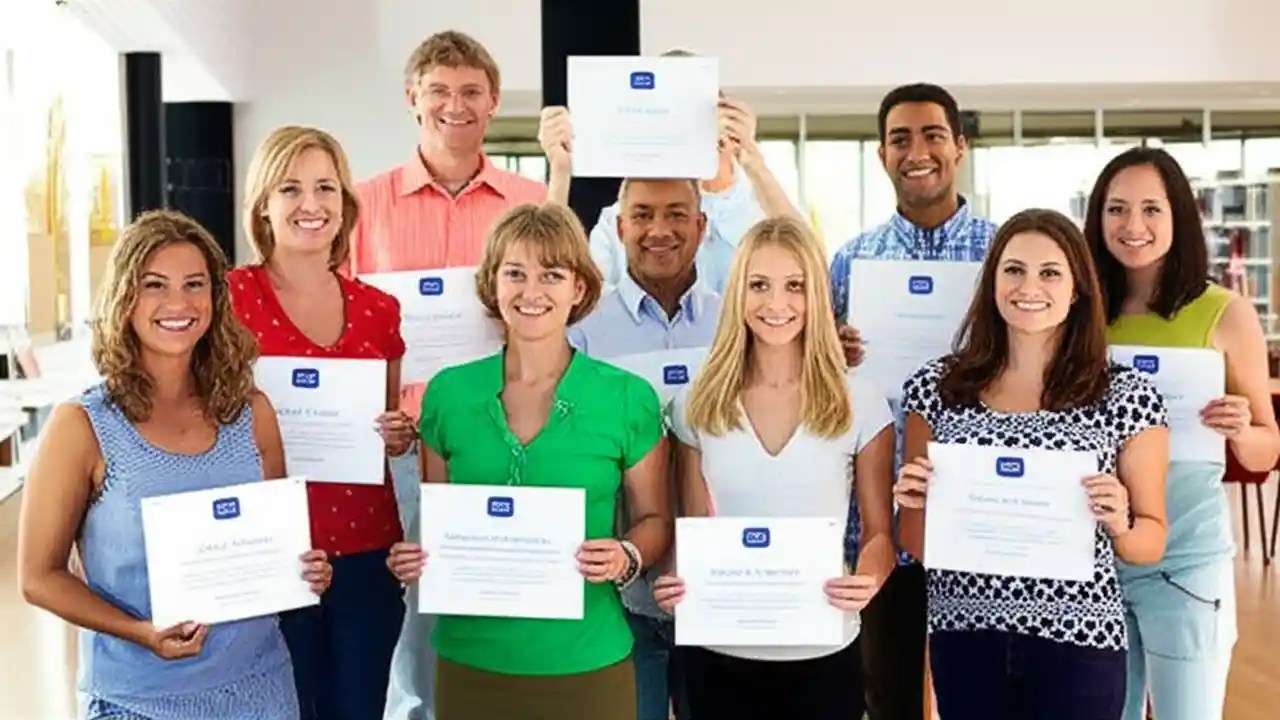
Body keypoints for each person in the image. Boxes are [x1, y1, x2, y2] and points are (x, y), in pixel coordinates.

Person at [17, 209, 333, 719]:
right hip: (137, 699)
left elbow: (277, 545)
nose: (178, 303)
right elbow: (38, 576)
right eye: (155, 285)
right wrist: (140, 633)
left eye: (195, 284)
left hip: (259, 689)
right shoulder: (81, 425)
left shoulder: (252, 413)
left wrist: (303, 570)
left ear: (215, 298)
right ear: (124, 299)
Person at [386, 203, 671, 720]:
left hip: (587, 662)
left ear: (579, 290)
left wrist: (627, 555)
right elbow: (438, 521)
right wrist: (414, 557)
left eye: (552, 275)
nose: (531, 291)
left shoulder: (628, 398)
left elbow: (655, 520)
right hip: (470, 662)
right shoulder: (447, 395)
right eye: (514, 273)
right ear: (492, 286)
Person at [892, 208, 1171, 719]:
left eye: (1050, 273)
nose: (1029, 287)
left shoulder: (1127, 396)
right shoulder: (936, 391)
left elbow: (1149, 542)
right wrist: (912, 505)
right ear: (992, 280)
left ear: (1078, 289)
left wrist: (1119, 522)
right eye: (1014, 269)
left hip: (1079, 642)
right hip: (966, 638)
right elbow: (917, 544)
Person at [348, 30, 548, 719]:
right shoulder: (361, 204)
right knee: (416, 604)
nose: (454, 106)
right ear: (413, 100)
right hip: (403, 444)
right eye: (439, 91)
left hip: (507, 434)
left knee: (509, 591)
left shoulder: (532, 200)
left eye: (470, 92)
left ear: (493, 102)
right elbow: (344, 325)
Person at [652, 216, 898, 718]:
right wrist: (676, 579)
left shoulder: (861, 403)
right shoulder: (696, 403)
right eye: (759, 285)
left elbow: (879, 538)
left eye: (795, 286)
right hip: (718, 654)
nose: (776, 304)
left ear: (817, 297)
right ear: (737, 294)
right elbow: (692, 529)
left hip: (824, 652)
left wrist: (867, 581)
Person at [1083, 147, 1280, 720]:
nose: (1133, 226)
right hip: (1096, 557)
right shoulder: (1082, 310)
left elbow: (1267, 450)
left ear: (1179, 217)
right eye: (1116, 209)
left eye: (1151, 208)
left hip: (1187, 561)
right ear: (1098, 219)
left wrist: (1242, 429)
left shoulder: (1226, 312)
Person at [230, 125, 416, 719]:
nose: (311, 205)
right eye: (291, 189)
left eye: (325, 188)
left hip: (367, 550)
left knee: (360, 709)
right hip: (270, 548)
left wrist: (398, 433)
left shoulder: (379, 309)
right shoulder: (228, 299)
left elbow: (385, 431)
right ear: (263, 205)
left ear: (345, 204)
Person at [825, 81, 997, 719]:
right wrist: (829, 353)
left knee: (974, 692)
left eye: (932, 135)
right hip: (877, 516)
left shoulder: (1003, 251)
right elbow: (814, 379)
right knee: (887, 691)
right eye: (900, 138)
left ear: (960, 145)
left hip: (979, 505)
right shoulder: (850, 262)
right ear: (881, 154)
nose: (916, 151)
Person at [547, 49, 764, 293]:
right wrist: (559, 174)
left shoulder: (762, 205)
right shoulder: (615, 221)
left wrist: (745, 160)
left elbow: (804, 264)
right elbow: (573, 301)